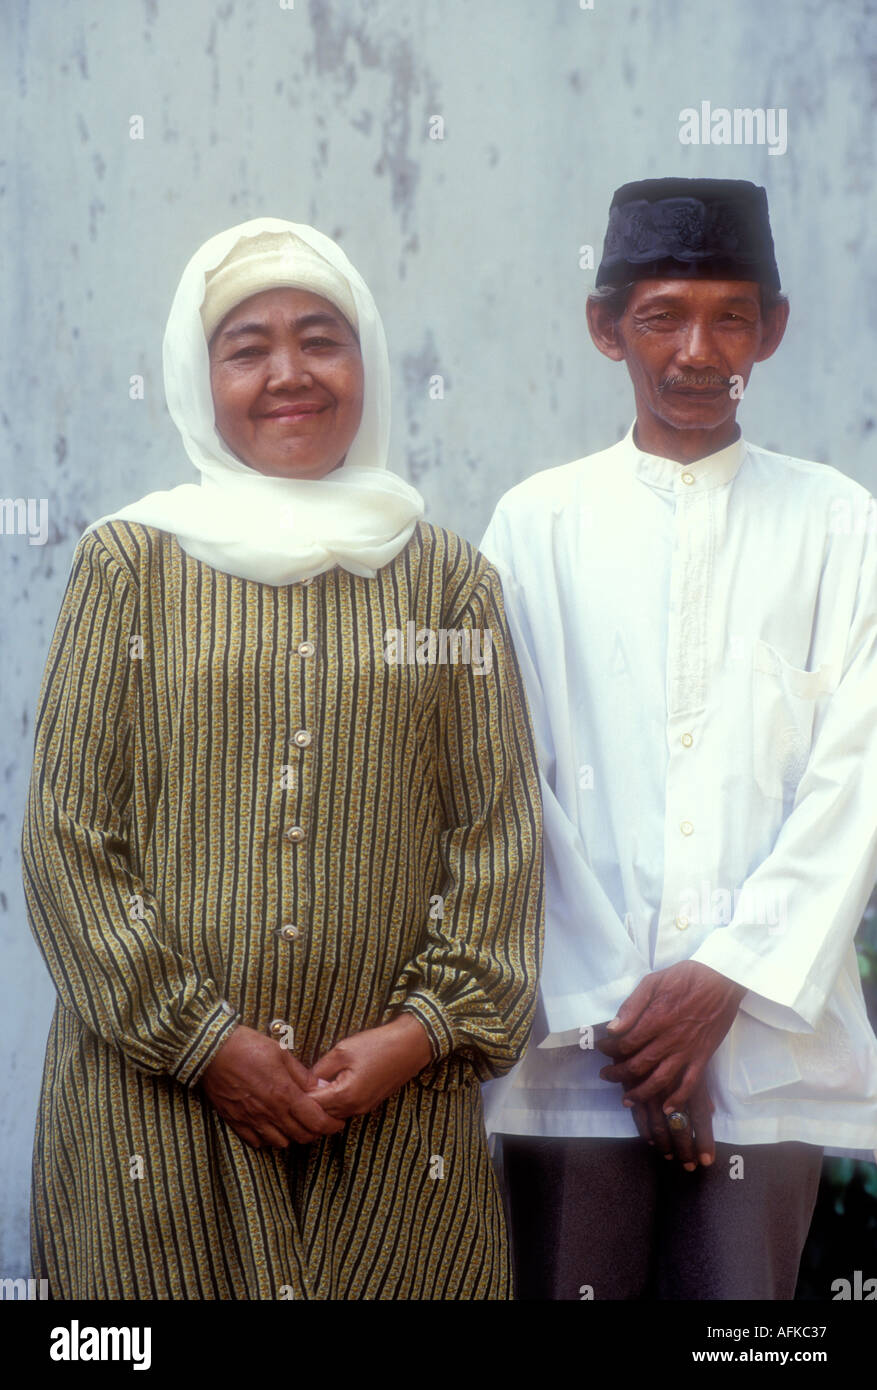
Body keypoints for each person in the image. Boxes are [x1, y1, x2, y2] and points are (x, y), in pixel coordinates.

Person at [21, 216, 544, 1300]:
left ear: (368, 363)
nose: (289, 374)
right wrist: (204, 1041)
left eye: (321, 337)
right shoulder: (130, 565)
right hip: (154, 1115)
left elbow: (496, 837)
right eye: (246, 346)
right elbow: (68, 839)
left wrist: (418, 1032)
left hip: (398, 1121)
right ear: (195, 374)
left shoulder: (446, 582)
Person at [478, 178, 877, 1301]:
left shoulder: (843, 527)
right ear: (606, 328)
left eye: (731, 316)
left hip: (768, 1051)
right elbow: (513, 790)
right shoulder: (534, 526)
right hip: (573, 1063)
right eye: (662, 316)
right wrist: (628, 1028)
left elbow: (858, 781)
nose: (699, 351)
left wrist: (722, 981)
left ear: (775, 329)